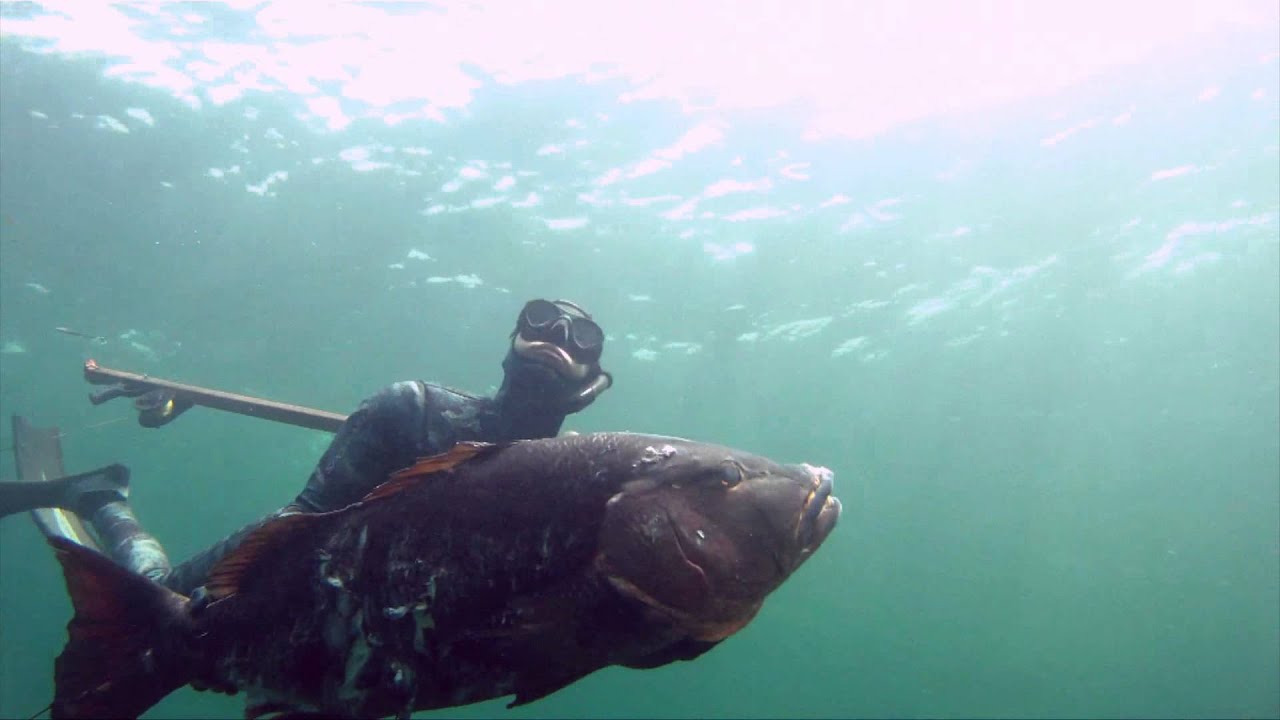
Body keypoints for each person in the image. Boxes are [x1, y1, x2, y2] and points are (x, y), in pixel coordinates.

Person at [67, 298, 612, 593]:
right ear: (510, 346)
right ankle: (105, 501)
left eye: (580, 338)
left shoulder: (583, 488)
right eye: (541, 324)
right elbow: (303, 522)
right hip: (291, 589)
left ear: (592, 384)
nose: (557, 336)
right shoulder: (412, 409)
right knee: (161, 593)